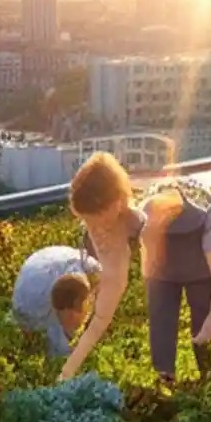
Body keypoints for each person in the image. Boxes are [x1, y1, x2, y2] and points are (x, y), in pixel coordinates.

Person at [58, 152, 146, 381]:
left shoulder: (143, 234)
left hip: (134, 345)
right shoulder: (90, 240)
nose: (91, 228)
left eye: (95, 220)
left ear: (116, 204)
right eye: (85, 220)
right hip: (100, 341)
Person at [137, 175, 211, 384]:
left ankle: (209, 375)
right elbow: (146, 256)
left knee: (204, 317)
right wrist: (151, 277)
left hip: (200, 267)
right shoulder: (143, 210)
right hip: (161, 269)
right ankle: (164, 377)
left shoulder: (210, 209)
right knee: (161, 318)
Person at [11, 245, 101, 357]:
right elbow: (22, 326)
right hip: (35, 285)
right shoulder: (29, 308)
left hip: (50, 261)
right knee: (63, 351)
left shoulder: (91, 267)